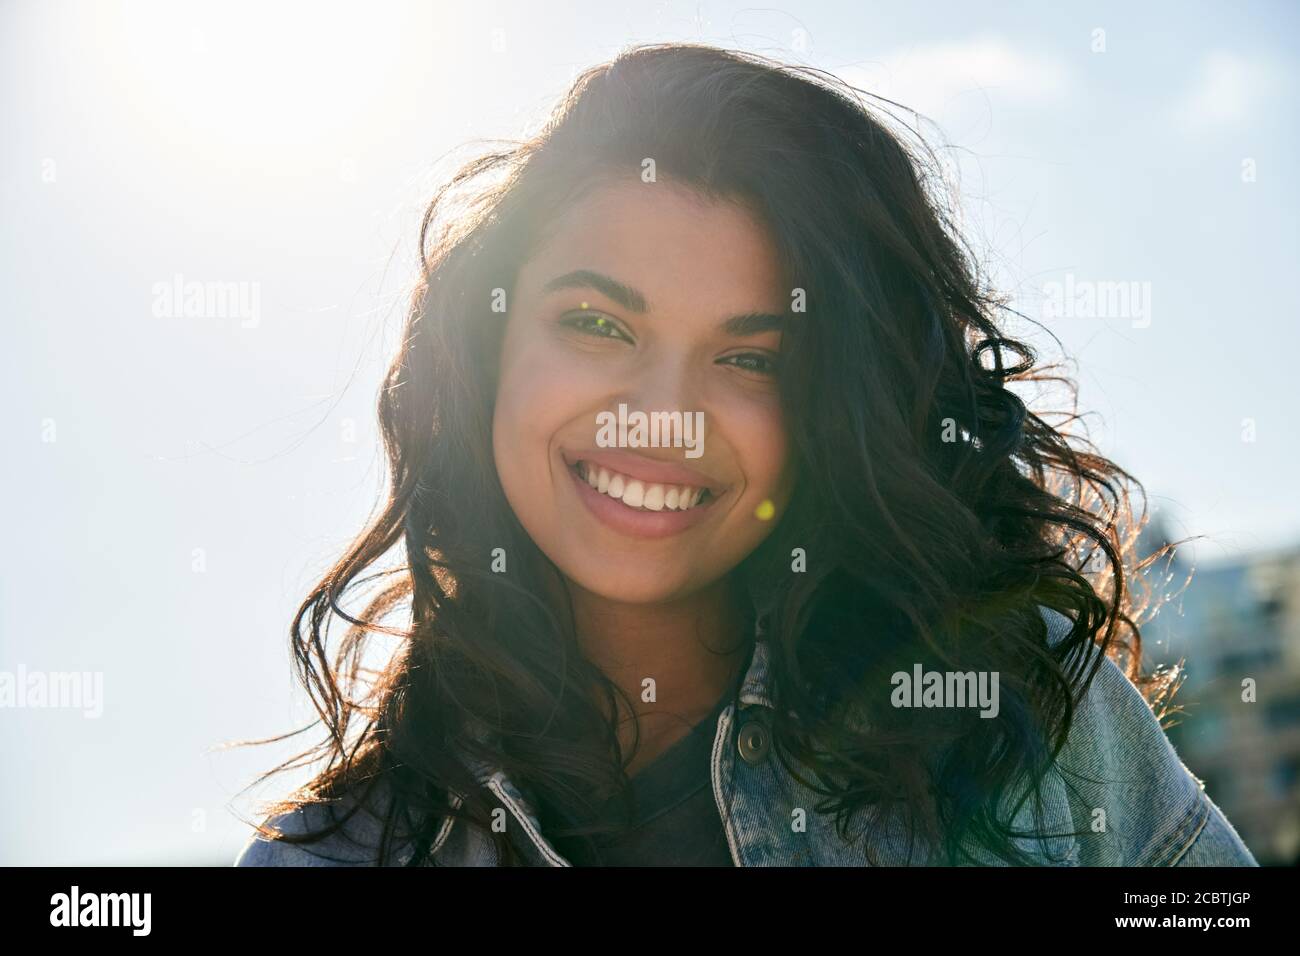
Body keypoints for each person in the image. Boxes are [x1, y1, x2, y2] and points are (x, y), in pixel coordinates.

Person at [233, 43, 1256, 867]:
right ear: (485, 346)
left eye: (749, 356)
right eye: (596, 324)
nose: (662, 416)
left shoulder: (1009, 715)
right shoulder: (324, 858)